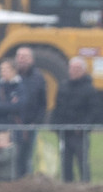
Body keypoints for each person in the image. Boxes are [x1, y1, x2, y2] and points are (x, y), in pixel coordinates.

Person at [51, 56, 96, 182]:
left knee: (82, 162)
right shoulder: (63, 86)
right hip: (64, 132)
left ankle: (85, 186)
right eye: (72, 68)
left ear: (83, 70)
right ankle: (67, 186)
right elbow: (57, 107)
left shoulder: (89, 89)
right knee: (65, 162)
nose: (74, 71)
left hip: (79, 133)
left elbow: (93, 111)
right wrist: (55, 125)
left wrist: (84, 127)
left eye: (77, 68)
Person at [13, 46, 47, 177]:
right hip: (12, 124)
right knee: (12, 157)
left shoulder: (38, 78)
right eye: (19, 56)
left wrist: (36, 121)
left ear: (31, 60)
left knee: (27, 157)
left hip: (29, 125)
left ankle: (27, 182)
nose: (21, 59)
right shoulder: (11, 75)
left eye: (25, 56)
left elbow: (42, 103)